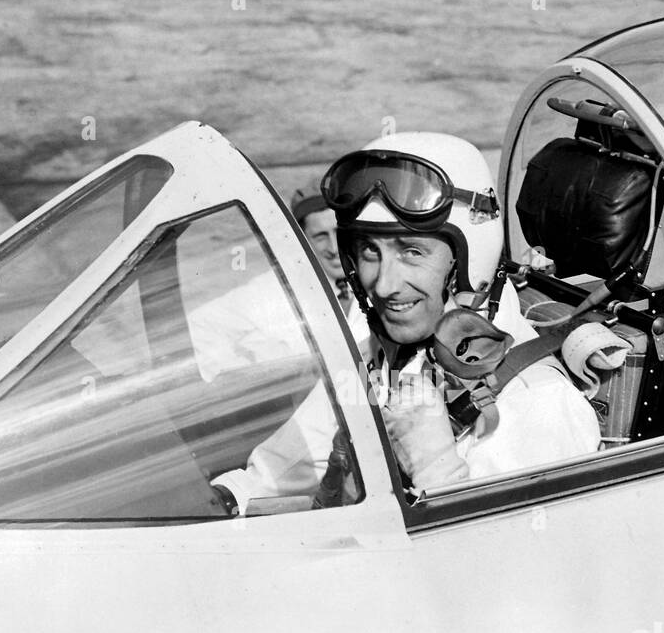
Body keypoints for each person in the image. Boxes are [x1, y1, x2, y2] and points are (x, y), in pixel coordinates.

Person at [213, 132, 600, 513]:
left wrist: (440, 475)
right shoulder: (386, 355)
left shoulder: (537, 402)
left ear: (465, 261)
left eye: (412, 252)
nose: (384, 284)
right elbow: (284, 469)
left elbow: (521, 564)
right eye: (369, 250)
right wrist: (227, 501)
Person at [289, 180, 351, 310]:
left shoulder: (378, 280)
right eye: (321, 236)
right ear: (303, 240)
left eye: (339, 232)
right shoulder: (290, 294)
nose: (334, 248)